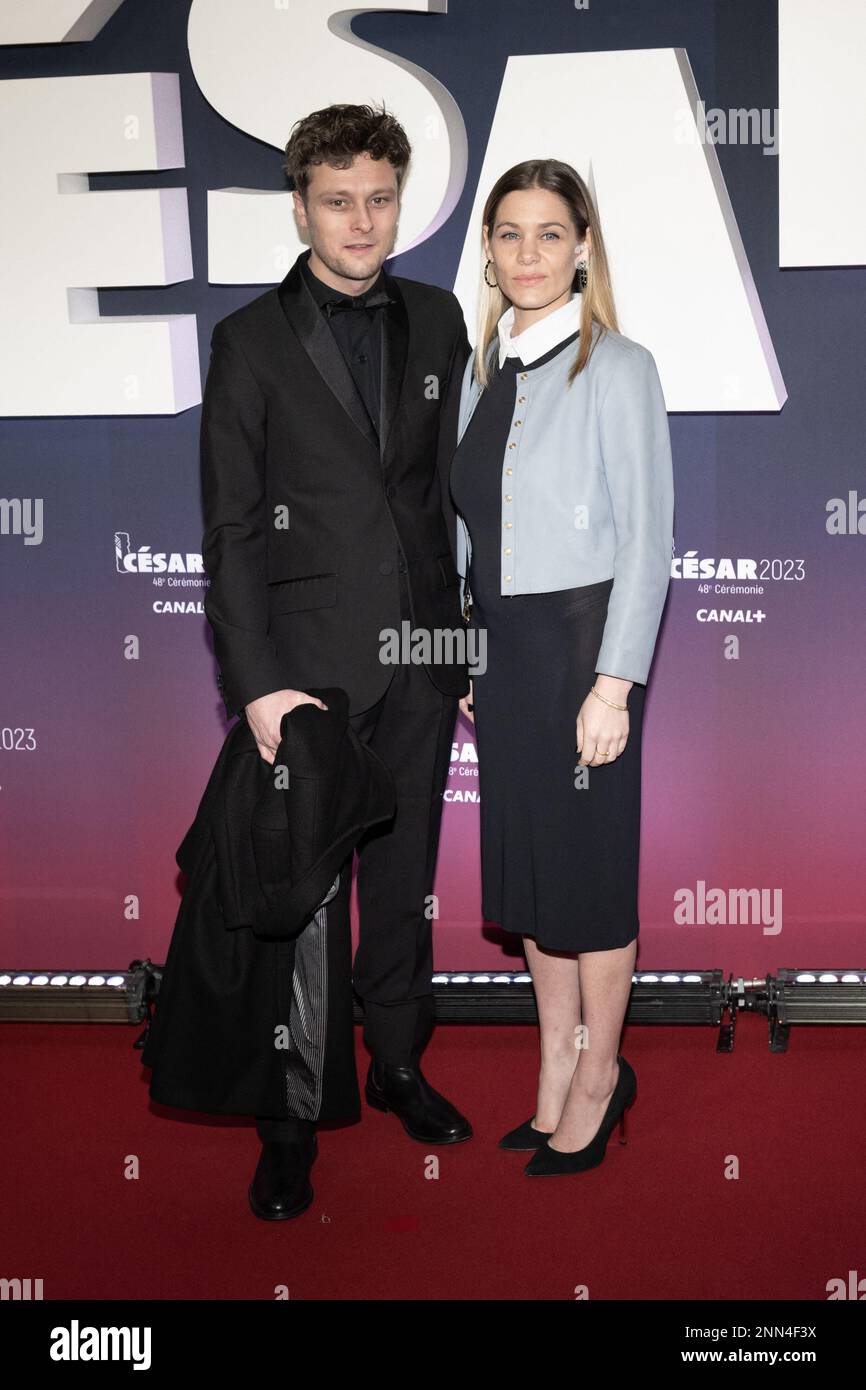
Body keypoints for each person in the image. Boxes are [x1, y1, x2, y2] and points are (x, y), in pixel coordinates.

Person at [200, 103, 473, 1219]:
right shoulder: (249, 339)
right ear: (301, 203)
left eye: (380, 197)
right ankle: (289, 1115)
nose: (361, 221)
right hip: (304, 673)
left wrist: (461, 652)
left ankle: (397, 1059)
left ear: (399, 200)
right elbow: (227, 527)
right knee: (299, 899)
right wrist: (256, 681)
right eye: (338, 199)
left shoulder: (441, 316)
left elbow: (451, 498)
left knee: (402, 885)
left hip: (419, 656)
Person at [449, 159, 674, 1176]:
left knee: (584, 882)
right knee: (529, 881)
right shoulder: (480, 368)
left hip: (579, 655)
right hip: (500, 659)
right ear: (489, 252)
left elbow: (646, 540)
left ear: (580, 245)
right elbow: (467, 530)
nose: (527, 252)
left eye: (548, 233)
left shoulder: (617, 365)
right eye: (509, 233)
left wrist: (612, 683)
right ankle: (552, 1062)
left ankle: (599, 1075)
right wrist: (464, 648)